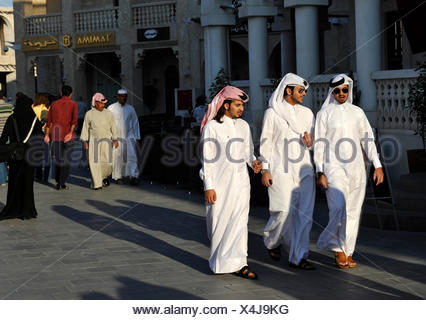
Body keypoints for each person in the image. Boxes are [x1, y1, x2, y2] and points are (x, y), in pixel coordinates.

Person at [314, 74, 384, 269]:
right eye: (337, 91)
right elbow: (319, 144)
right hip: (333, 167)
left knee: (353, 211)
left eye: (345, 90)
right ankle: (336, 247)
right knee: (337, 208)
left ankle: (346, 250)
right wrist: (320, 171)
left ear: (349, 90)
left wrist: (377, 165)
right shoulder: (324, 113)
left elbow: (367, 140)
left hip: (356, 168)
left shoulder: (358, 112)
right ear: (332, 92)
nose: (342, 93)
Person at [200, 85, 262, 279]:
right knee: (220, 221)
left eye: (242, 105)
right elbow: (207, 159)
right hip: (219, 183)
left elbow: (248, 152)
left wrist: (254, 164)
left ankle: (239, 263)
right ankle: (219, 262)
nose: (241, 109)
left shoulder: (244, 126)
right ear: (225, 105)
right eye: (237, 105)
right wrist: (208, 186)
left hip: (241, 182)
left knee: (240, 222)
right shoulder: (212, 127)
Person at [259, 73, 316, 270]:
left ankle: (298, 257)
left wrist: (311, 144)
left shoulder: (308, 113)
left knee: (304, 215)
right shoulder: (272, 113)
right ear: (288, 90)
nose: (303, 94)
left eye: (305, 91)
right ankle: (272, 241)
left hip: (304, 171)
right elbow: (265, 144)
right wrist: (265, 169)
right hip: (279, 170)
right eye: (300, 91)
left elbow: (313, 141)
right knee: (282, 211)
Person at [0, 93, 43, 220]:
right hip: (29, 155)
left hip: (15, 155)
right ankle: (27, 211)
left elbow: (3, 139)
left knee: (14, 182)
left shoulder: (12, 118)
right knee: (27, 183)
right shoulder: (34, 119)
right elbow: (39, 136)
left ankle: (13, 208)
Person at [80, 93, 119, 190]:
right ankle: (97, 184)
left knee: (108, 163)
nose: (103, 105)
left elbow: (113, 126)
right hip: (94, 142)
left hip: (107, 141)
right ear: (95, 103)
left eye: (104, 103)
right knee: (94, 163)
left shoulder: (108, 113)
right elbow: (85, 128)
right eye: (101, 103)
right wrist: (85, 141)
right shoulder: (89, 114)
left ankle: (103, 176)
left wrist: (115, 139)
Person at [44, 85, 78, 190]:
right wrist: (70, 132)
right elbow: (74, 120)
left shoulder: (54, 104)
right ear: (71, 94)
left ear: (61, 93)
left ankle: (58, 181)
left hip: (56, 135)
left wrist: (46, 135)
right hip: (68, 136)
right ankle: (62, 182)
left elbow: (48, 121)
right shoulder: (73, 104)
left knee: (58, 159)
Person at [108, 89, 140, 185]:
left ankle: (133, 176)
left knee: (132, 156)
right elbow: (108, 123)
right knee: (117, 157)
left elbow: (135, 123)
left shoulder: (130, 108)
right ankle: (118, 177)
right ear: (118, 96)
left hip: (129, 137)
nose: (123, 98)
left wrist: (137, 137)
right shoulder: (111, 108)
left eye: (125, 96)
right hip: (116, 137)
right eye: (121, 96)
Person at [33, 93, 50, 182]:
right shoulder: (48, 108)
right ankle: (47, 176)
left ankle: (38, 175)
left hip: (36, 134)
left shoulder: (34, 109)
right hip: (47, 134)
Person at [0, 93, 13, 186]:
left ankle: (3, 180)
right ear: (3, 97)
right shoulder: (10, 107)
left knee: (0, 159)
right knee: (10, 157)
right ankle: (12, 176)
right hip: (8, 135)